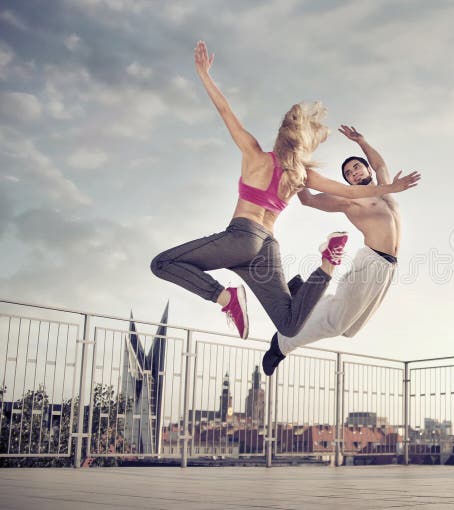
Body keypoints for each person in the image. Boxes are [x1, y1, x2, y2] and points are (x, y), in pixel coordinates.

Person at [150, 42, 420, 340]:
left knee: (162, 263)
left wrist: (204, 75)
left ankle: (224, 298)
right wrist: (392, 187)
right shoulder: (302, 174)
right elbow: (350, 192)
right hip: (266, 246)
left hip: (242, 236)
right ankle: (326, 267)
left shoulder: (255, 154)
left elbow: (226, 112)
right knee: (289, 324)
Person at [261, 125, 405, 375]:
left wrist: (361, 141)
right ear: (347, 181)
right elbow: (309, 201)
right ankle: (281, 345)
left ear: (366, 169)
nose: (354, 173)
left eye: (357, 167)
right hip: (371, 262)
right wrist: (295, 172)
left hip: (388, 267)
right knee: (336, 322)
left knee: (351, 328)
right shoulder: (350, 200)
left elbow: (380, 164)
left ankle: (301, 293)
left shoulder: (385, 189)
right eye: (348, 173)